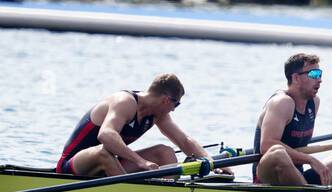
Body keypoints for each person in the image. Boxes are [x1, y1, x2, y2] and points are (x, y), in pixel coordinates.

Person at [55, 74, 218, 177]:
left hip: (110, 165)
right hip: (73, 165)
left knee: (164, 152)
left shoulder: (158, 114)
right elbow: (105, 135)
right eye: (177, 104)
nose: (174, 109)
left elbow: (184, 141)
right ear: (166, 100)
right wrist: (141, 162)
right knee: (103, 151)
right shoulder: (125, 102)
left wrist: (212, 164)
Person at [252, 53, 332, 188]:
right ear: (296, 78)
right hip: (268, 178)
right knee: (278, 152)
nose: (320, 80)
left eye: (320, 74)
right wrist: (310, 160)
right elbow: (267, 145)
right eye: (314, 74)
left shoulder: (314, 103)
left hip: (298, 178)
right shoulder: (282, 103)